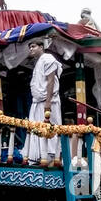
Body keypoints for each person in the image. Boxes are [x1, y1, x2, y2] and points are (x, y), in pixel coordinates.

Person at [25, 39, 63, 167]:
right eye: (30, 47)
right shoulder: (38, 62)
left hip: (48, 101)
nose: (31, 49)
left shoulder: (47, 58)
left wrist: (48, 101)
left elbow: (51, 80)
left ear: (42, 47)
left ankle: (51, 159)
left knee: (50, 129)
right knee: (37, 129)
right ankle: (41, 157)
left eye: (33, 46)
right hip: (37, 102)